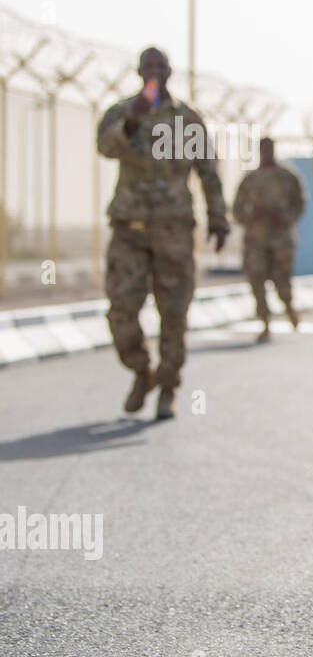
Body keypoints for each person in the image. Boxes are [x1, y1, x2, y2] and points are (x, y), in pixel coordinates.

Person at [96, 47, 229, 420]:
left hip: (174, 229)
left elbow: (208, 171)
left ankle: (168, 386)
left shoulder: (187, 120)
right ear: (139, 71)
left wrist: (218, 217)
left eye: (160, 66)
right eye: (148, 66)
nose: (154, 71)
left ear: (170, 72)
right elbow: (104, 148)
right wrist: (131, 123)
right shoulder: (122, 113)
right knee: (121, 309)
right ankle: (142, 371)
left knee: (173, 311)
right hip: (129, 229)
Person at [232, 138, 305, 343]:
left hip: (281, 238)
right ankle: (265, 323)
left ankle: (289, 306)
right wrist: (251, 216)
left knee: (282, 282)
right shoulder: (250, 179)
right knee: (257, 281)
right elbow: (237, 209)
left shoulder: (287, 178)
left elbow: (299, 204)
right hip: (256, 240)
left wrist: (284, 218)